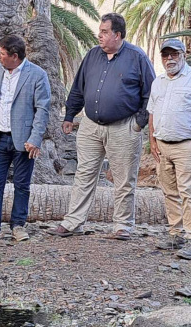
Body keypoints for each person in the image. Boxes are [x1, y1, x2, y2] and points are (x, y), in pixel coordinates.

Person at [47, 13, 155, 240]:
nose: (100, 35)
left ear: (118, 35)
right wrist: (69, 115)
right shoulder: (92, 56)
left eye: (105, 32)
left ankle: (122, 226)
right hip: (90, 126)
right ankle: (73, 222)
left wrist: (138, 124)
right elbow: (77, 88)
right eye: (100, 31)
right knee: (84, 175)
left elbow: (151, 95)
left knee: (124, 178)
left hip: (124, 127)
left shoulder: (137, 57)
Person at [0, 35, 51, 244]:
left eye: (2, 54)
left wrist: (35, 138)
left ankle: (18, 226)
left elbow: (42, 109)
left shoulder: (37, 75)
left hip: (24, 140)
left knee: (22, 185)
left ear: (14, 56)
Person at [147, 38, 191, 259]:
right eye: (165, 55)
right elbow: (152, 112)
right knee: (169, 192)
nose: (169, 59)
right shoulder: (157, 82)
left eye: (174, 54)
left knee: (188, 193)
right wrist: (152, 141)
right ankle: (175, 234)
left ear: (184, 55)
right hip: (162, 146)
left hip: (185, 146)